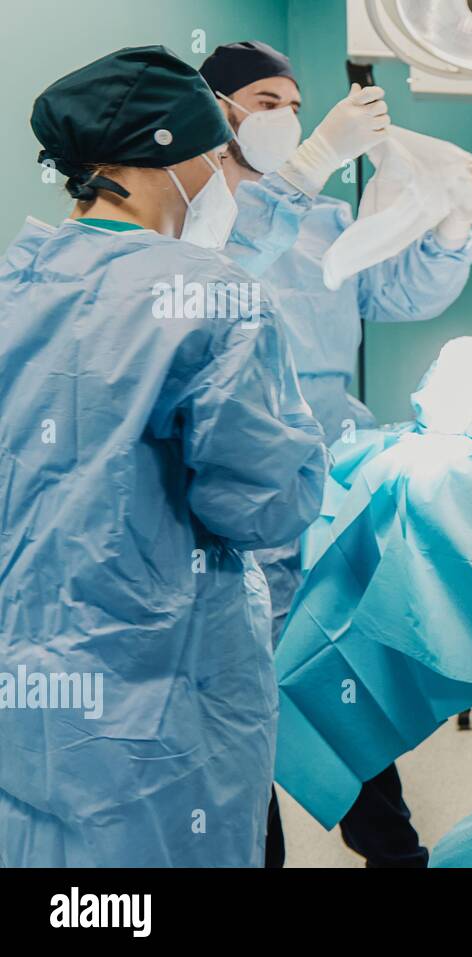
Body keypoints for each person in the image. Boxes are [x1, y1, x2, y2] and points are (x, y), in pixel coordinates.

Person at [0, 46, 327, 866]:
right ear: (169, 153)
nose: (224, 172)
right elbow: (263, 504)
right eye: (218, 152)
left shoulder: (12, 282)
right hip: (153, 695)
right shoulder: (211, 299)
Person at [199, 40, 472, 867]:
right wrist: (312, 161)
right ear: (214, 110)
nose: (288, 117)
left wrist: (448, 226)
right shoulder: (199, 216)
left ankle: (395, 855)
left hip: (325, 482)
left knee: (337, 681)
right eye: (266, 101)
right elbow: (219, 284)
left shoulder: (326, 218)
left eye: (296, 103)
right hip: (237, 492)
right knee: (241, 708)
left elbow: (393, 291)